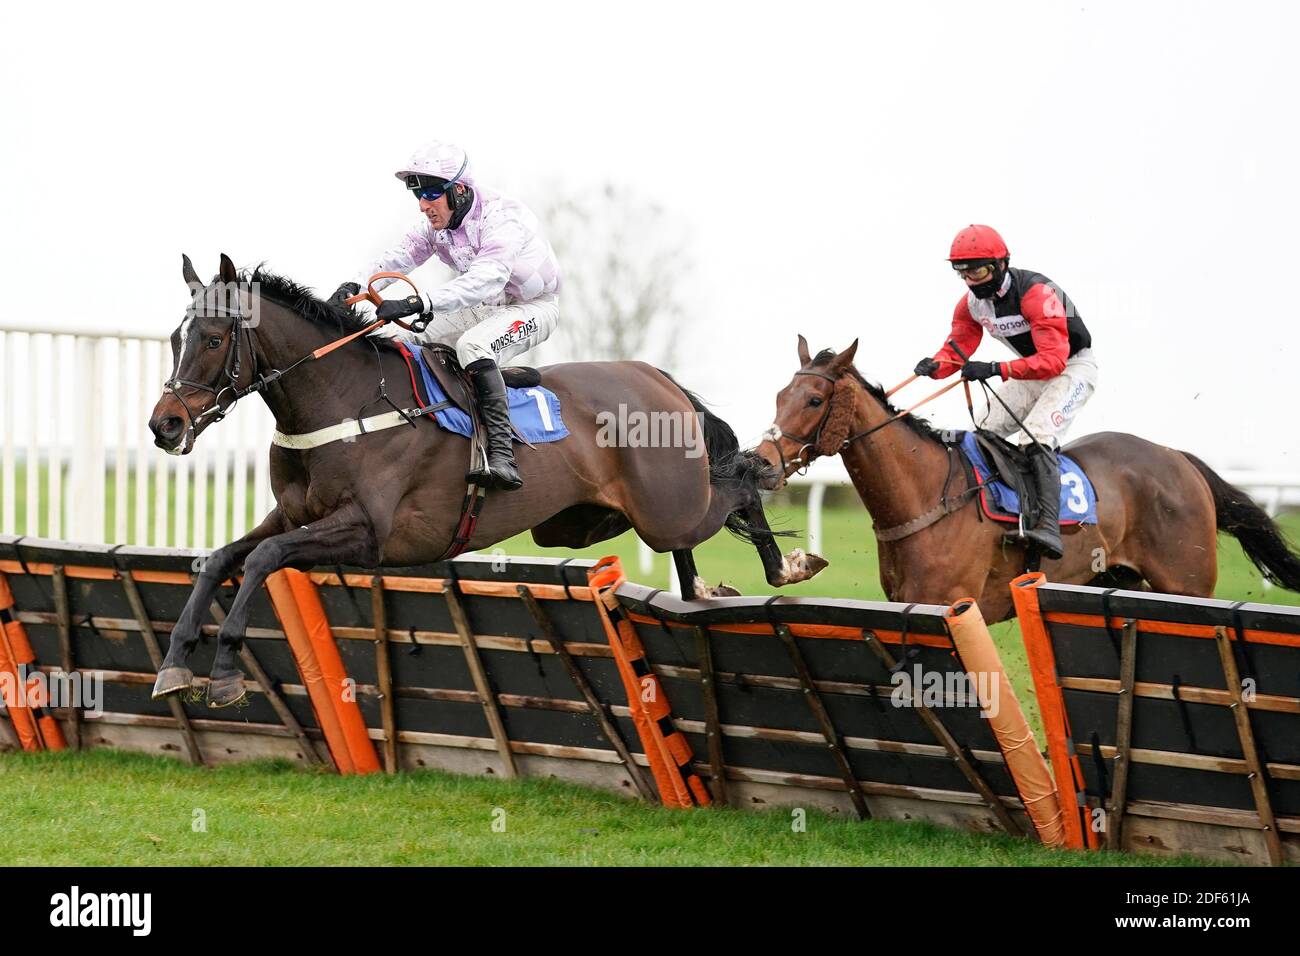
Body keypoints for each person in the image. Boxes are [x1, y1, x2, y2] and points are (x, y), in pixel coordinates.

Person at [329, 141, 561, 491]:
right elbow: (398, 257)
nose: (424, 206)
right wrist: (353, 284)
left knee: (473, 346)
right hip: (483, 307)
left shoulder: (503, 217)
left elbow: (487, 279)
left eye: (432, 195)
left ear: (461, 190)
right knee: (396, 341)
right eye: (419, 197)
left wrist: (416, 302)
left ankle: (502, 457)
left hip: (531, 307)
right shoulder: (437, 225)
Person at [913, 224, 1097, 559]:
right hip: (1033, 368)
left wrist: (996, 369)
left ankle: (1049, 526)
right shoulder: (969, 305)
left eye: (978, 270)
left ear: (1000, 265)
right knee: (984, 429)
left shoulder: (1037, 294)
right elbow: (957, 349)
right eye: (963, 273)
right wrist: (935, 367)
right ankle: (1002, 508)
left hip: (1072, 368)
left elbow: (1054, 361)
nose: (972, 280)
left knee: (1036, 436)